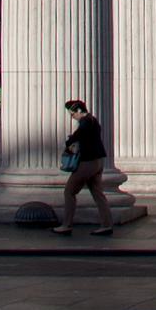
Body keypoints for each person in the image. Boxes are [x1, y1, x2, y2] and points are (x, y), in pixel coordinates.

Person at [55, 98, 118, 235]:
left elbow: (79, 135)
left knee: (69, 191)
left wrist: (70, 140)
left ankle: (66, 225)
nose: (72, 117)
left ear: (79, 110)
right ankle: (107, 225)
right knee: (97, 193)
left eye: (72, 114)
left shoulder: (85, 121)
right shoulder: (93, 121)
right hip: (98, 161)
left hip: (87, 162)